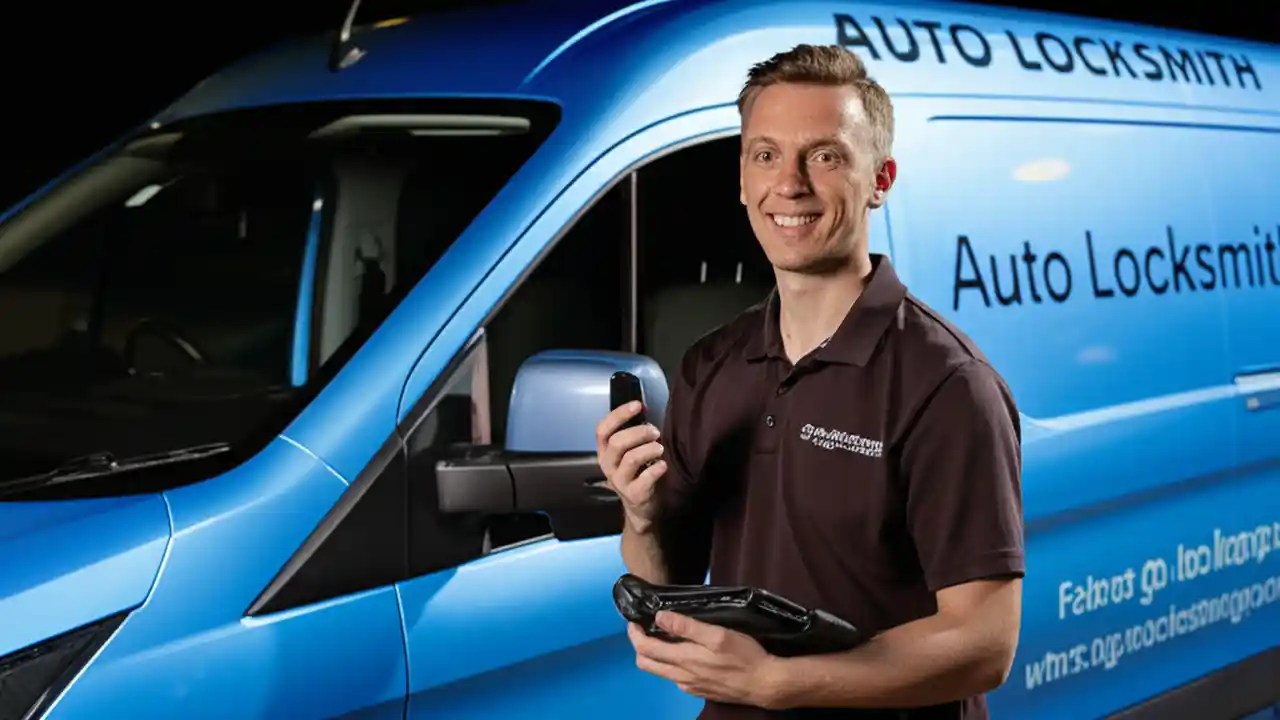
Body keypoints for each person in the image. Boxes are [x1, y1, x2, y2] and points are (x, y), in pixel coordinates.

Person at [594, 43, 1024, 719]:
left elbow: (984, 643)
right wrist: (642, 517)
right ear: (741, 178)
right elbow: (670, 582)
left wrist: (777, 685)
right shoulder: (712, 365)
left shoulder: (946, 386)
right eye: (766, 155)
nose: (789, 184)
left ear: (880, 179)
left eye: (824, 156)